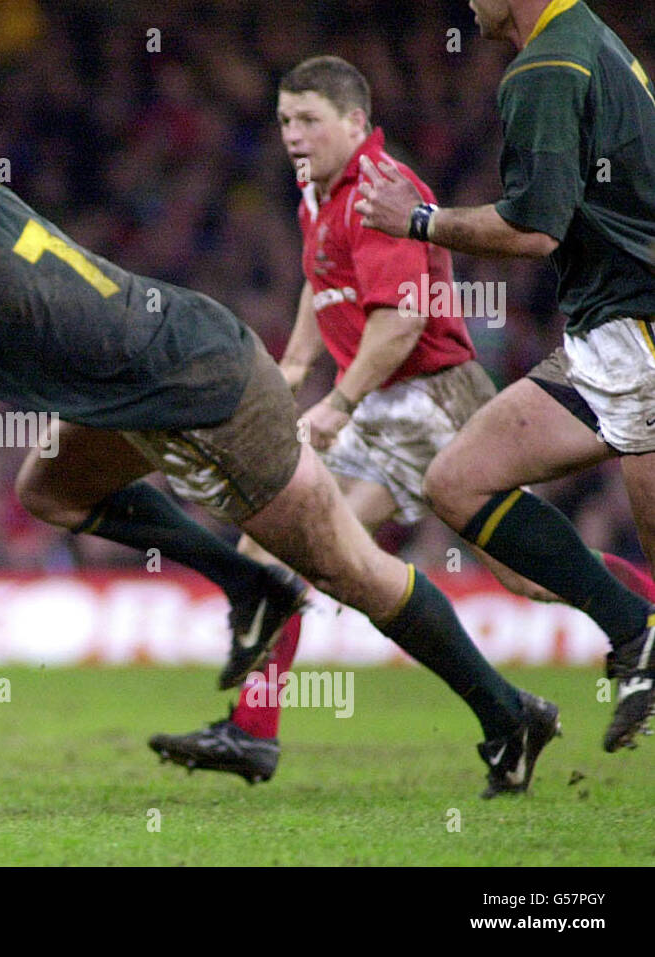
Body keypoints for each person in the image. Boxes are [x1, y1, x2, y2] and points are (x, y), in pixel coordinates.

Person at [0, 129, 561, 798]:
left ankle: (507, 713)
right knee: (49, 486)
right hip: (153, 378)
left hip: (207, 389)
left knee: (356, 571)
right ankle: (248, 582)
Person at [149, 55, 655, 784]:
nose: (293, 134)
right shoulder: (316, 192)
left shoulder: (380, 192)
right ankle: (259, 731)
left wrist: (338, 401)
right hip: (384, 405)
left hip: (432, 396)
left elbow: (401, 320)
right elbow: (319, 282)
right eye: (285, 120)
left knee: (525, 577)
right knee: (285, 544)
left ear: (356, 123)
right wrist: (294, 365)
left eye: (309, 121)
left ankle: (619, 642)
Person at [355, 0, 655, 752]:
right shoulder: (592, 37)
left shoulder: (550, 64)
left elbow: (534, 227)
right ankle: (634, 627)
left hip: (642, 330)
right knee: (459, 479)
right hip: (601, 340)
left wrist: (418, 220)